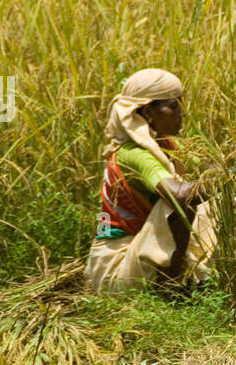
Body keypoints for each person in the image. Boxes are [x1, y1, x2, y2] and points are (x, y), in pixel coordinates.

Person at [85, 68, 215, 294]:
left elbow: (209, 167)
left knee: (216, 200)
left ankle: (189, 279)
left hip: (136, 257)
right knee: (176, 204)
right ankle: (171, 292)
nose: (182, 113)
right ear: (147, 112)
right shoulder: (133, 153)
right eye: (173, 106)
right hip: (113, 270)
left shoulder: (166, 145)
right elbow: (181, 195)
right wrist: (222, 177)